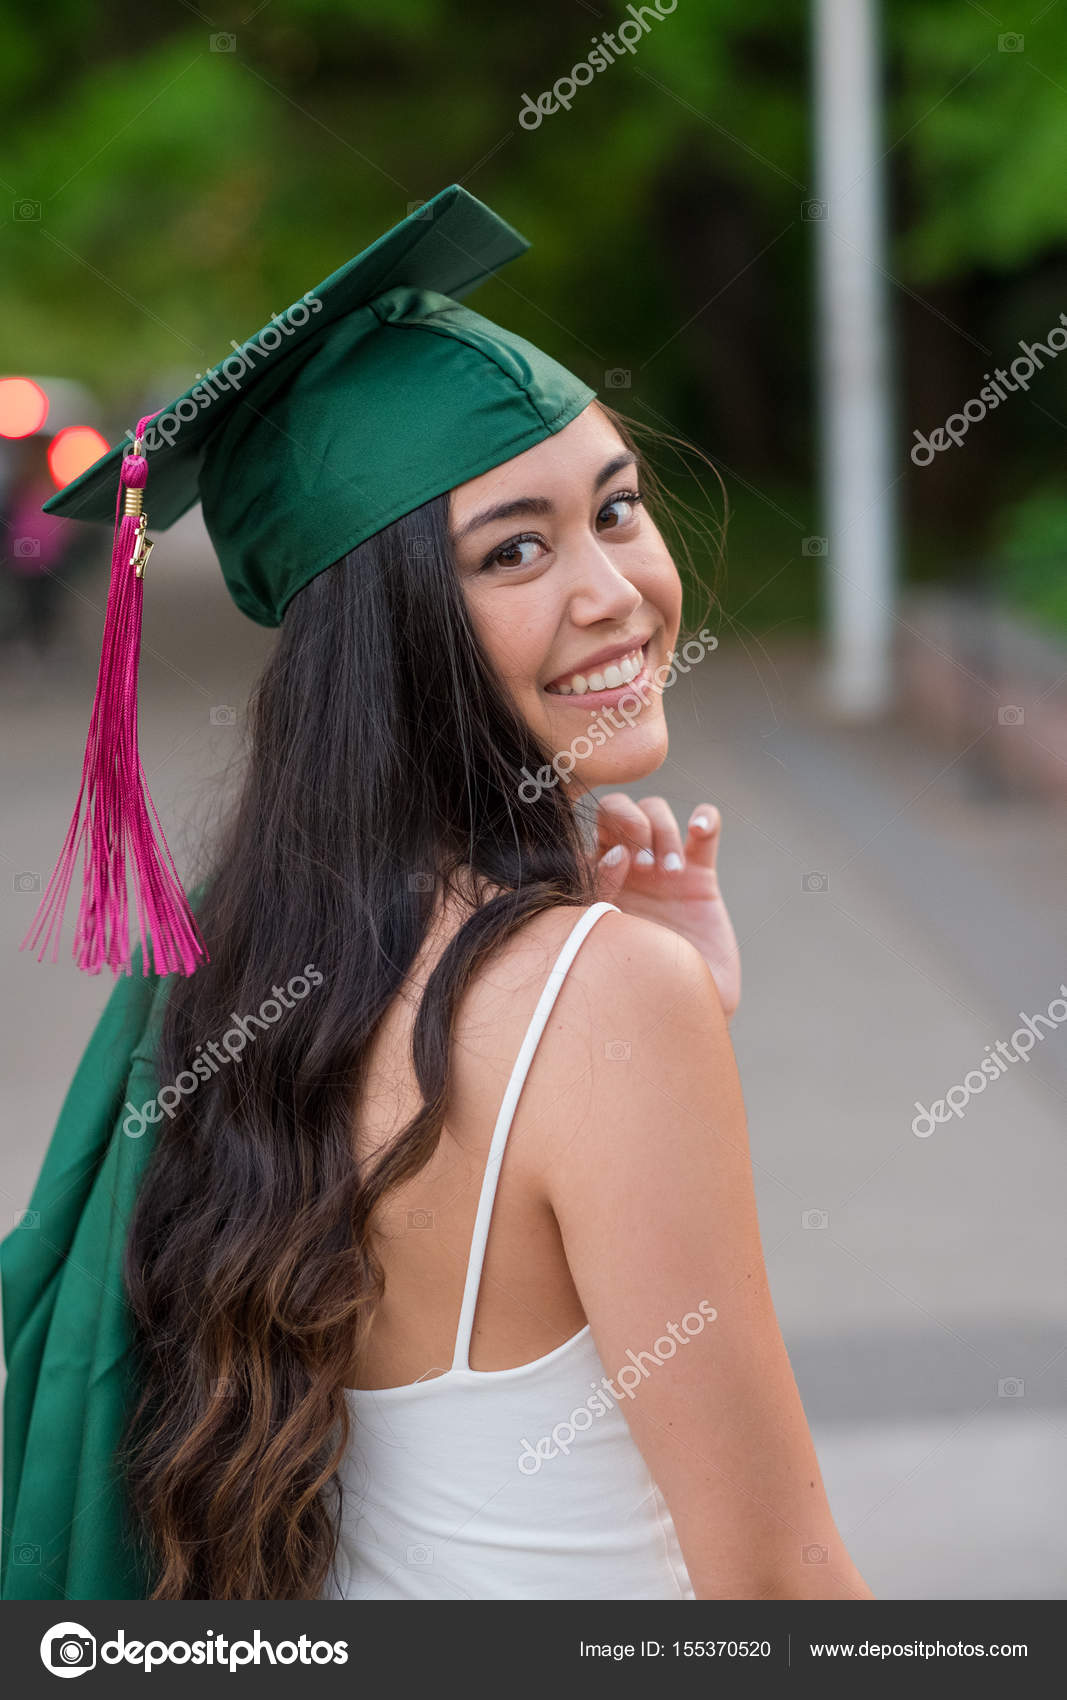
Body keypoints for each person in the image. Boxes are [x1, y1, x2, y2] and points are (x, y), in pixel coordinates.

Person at [1, 185, 874, 1603]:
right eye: (513, 549)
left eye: (617, 508)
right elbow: (780, 1585)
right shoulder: (594, 1003)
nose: (616, 592)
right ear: (383, 631)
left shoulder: (245, 968)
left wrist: (665, 1014)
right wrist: (638, 1018)